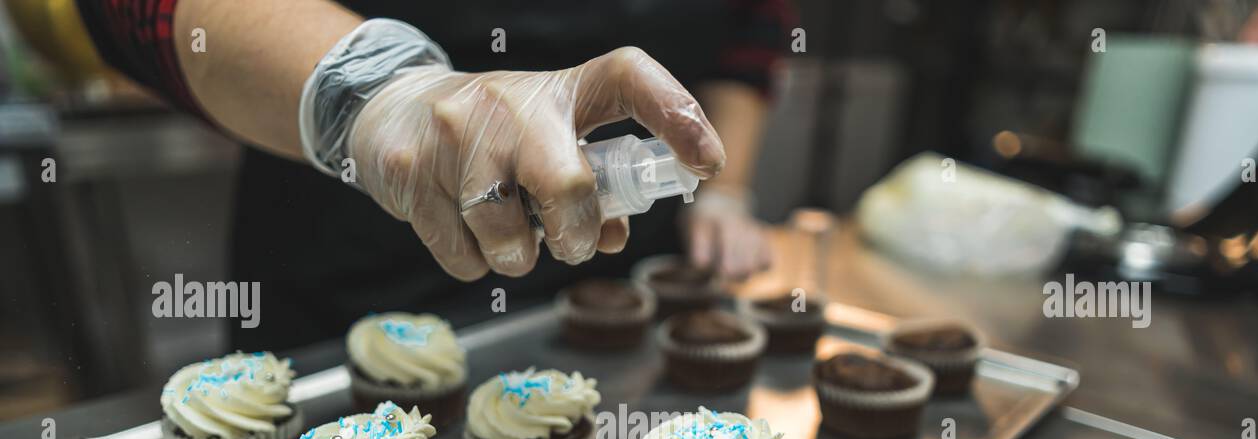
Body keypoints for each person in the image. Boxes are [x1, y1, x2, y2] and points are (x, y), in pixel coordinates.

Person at [72, 0, 789, 350]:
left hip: (623, 280)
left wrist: (722, 190)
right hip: (351, 281)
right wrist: (377, 92)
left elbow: (751, 31)